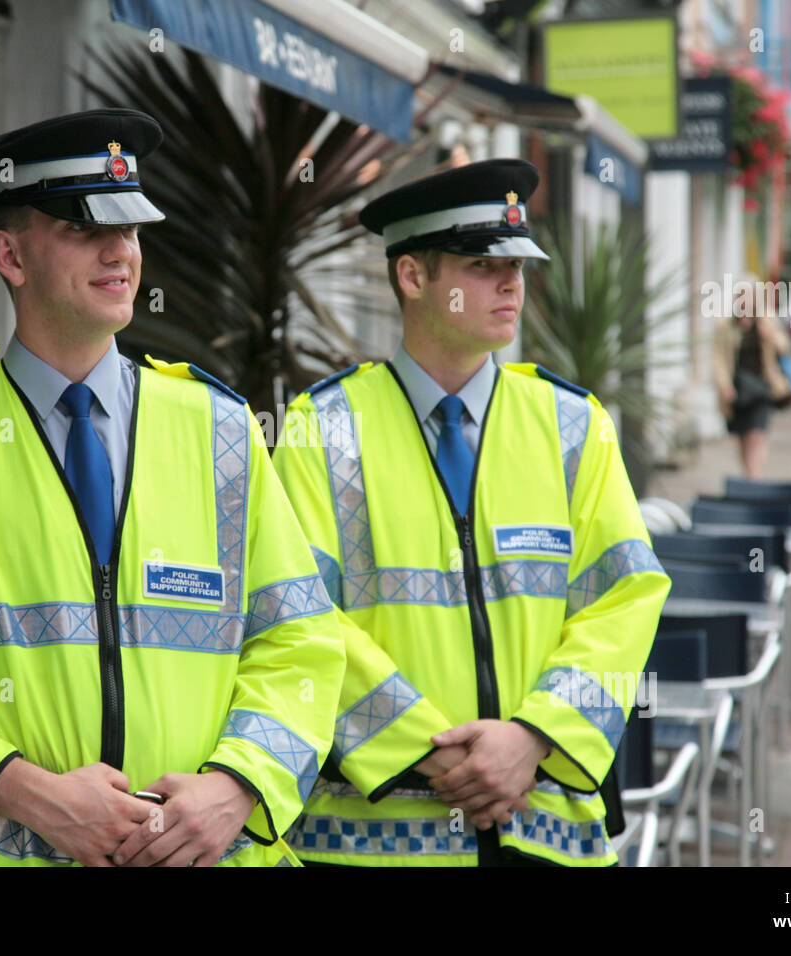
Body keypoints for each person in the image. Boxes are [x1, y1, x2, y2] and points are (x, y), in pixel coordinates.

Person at [0, 109, 345, 866]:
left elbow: (301, 639)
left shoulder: (221, 427)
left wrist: (238, 785)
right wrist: (28, 792)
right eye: (83, 228)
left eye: (130, 228)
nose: (121, 250)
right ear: (10, 254)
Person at [271, 160, 671, 866]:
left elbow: (625, 596)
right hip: (374, 842)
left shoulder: (573, 424)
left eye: (517, 262)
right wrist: (440, 757)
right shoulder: (319, 429)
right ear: (413, 277)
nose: (512, 282)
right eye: (484, 264)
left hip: (544, 827)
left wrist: (532, 736)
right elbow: (300, 616)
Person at [712, 275, 791, 478]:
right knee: (743, 438)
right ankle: (749, 476)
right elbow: (719, 359)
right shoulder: (726, 326)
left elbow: (785, 348)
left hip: (762, 388)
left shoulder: (767, 321)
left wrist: (771, 337)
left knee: (757, 436)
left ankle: (755, 477)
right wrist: (724, 386)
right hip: (739, 390)